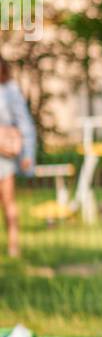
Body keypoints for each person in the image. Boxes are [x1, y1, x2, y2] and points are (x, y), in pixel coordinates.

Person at [0, 57, 36, 259]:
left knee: (8, 201)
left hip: (4, 157)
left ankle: (13, 246)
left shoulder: (10, 90)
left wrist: (27, 154)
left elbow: (24, 123)